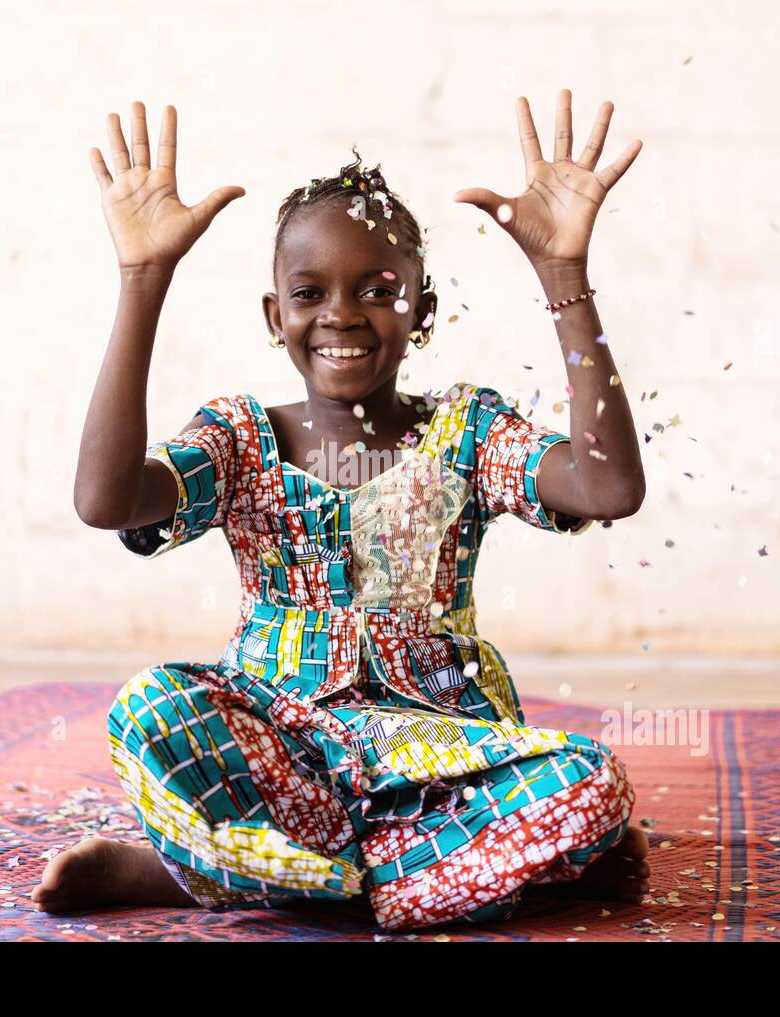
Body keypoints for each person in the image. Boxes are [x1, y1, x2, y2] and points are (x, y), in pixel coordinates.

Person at [34, 91, 651, 931]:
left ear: (422, 314)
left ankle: (213, 872)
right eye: (309, 291)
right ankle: (474, 870)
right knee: (151, 710)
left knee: (589, 782)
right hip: (280, 741)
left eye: (378, 289)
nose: (341, 314)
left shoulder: (466, 429)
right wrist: (145, 280)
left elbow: (609, 489)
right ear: (274, 316)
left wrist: (563, 275)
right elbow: (105, 501)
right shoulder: (239, 439)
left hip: (440, 750)